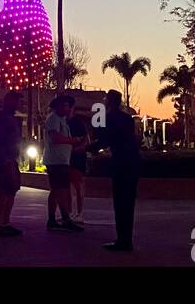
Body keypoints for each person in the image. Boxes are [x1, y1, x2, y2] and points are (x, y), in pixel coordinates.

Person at [87, 90, 140, 251]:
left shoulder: (107, 118)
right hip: (133, 162)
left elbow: (103, 141)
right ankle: (127, 239)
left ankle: (122, 241)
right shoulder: (127, 118)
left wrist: (87, 148)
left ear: (109, 101)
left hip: (120, 163)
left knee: (120, 201)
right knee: (129, 202)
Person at [0, 91, 24, 237]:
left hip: (10, 158)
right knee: (4, 191)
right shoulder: (1, 118)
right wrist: (5, 159)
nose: (19, 104)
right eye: (17, 101)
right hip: (4, 160)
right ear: (10, 101)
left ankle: (5, 222)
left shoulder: (10, 118)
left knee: (11, 190)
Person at [43, 95, 82, 232]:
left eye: (68, 106)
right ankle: (65, 218)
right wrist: (73, 140)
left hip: (61, 160)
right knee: (61, 190)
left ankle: (52, 219)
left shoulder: (62, 120)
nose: (67, 108)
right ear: (58, 106)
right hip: (56, 161)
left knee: (55, 190)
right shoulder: (53, 119)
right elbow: (55, 138)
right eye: (64, 105)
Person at [67, 109, 91, 223]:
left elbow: (86, 140)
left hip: (77, 157)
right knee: (68, 186)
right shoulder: (62, 121)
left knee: (78, 184)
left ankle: (79, 213)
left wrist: (77, 149)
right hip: (67, 157)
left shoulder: (77, 122)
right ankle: (70, 212)